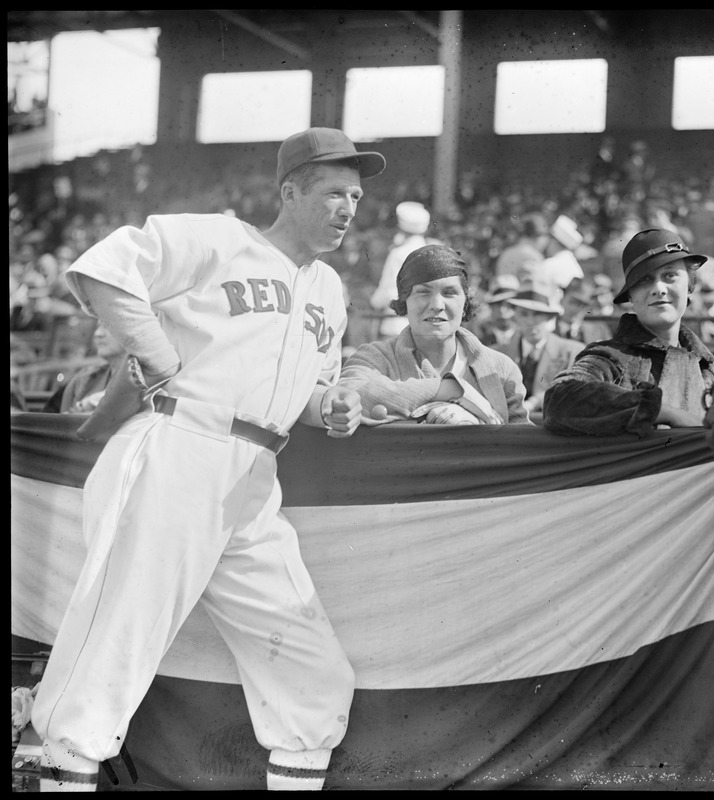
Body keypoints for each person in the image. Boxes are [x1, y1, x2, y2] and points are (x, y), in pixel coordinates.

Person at [30, 127, 378, 792]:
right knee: (111, 647)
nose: (347, 208)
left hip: (254, 476)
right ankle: (58, 775)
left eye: (356, 196)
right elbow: (102, 266)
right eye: (333, 192)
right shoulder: (218, 239)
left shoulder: (329, 288)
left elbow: (310, 391)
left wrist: (336, 406)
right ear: (290, 192)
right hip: (177, 445)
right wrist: (153, 350)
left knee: (311, 672)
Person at [543, 229, 714, 436]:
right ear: (631, 295)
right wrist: (658, 410)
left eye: (670, 275)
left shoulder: (713, 370)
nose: (659, 288)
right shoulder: (610, 358)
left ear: (690, 285)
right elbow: (560, 398)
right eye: (644, 279)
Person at [338, 244, 530, 425]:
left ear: (465, 302)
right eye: (423, 293)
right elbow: (347, 393)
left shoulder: (500, 369)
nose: (437, 305)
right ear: (405, 301)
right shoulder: (376, 358)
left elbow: (521, 443)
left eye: (449, 293)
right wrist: (449, 390)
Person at [503, 284, 585, 423]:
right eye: (524, 314)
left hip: (553, 429)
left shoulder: (572, 351)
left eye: (537, 314)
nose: (530, 321)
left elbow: (574, 392)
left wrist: (536, 401)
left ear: (548, 317)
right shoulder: (499, 354)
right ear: (515, 317)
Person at [369, 201, 432, 339]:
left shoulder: (398, 253)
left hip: (395, 325)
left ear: (401, 228)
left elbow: (386, 291)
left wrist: (373, 302)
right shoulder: (430, 253)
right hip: (423, 326)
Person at [42, 323, 128, 413]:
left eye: (108, 326)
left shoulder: (140, 386)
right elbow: (49, 422)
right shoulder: (84, 379)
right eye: (98, 326)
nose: (98, 333)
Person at [555, 277, 614, 345]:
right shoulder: (547, 326)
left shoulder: (600, 330)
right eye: (571, 302)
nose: (576, 309)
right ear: (562, 300)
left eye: (582, 305)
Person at [467, 274, 520, 349]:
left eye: (508, 305)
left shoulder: (525, 341)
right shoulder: (480, 344)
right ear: (491, 307)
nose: (502, 310)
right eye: (497, 305)